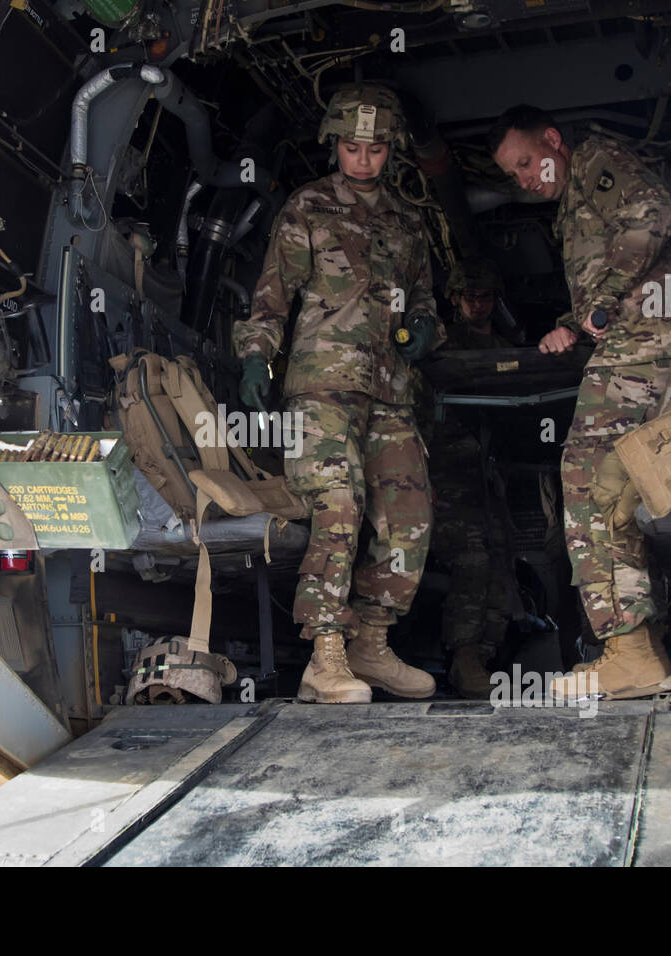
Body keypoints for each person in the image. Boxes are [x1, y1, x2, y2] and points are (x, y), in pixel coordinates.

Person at [488, 105, 671, 698]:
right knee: (626, 483)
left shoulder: (595, 161)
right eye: (514, 176)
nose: (526, 181)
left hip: (647, 342)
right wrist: (572, 323)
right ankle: (642, 648)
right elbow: (610, 285)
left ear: (554, 142)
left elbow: (651, 214)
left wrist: (604, 303)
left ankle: (629, 649)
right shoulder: (572, 203)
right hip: (646, 337)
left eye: (526, 164)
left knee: (588, 476)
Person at [234, 84, 443, 703]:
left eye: (375, 149)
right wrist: (254, 357)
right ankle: (324, 657)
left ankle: (371, 646)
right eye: (352, 148)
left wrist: (425, 330)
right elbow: (272, 297)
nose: (363, 160)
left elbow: (425, 303)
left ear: (392, 151)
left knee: (410, 519)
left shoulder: (409, 223)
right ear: (335, 145)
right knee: (338, 507)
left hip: (390, 392)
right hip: (321, 388)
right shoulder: (309, 207)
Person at [429, 259, 524, 696]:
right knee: (472, 559)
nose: (479, 304)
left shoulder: (508, 346)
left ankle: (487, 654)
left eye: (486, 297)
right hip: (450, 472)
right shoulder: (446, 344)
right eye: (471, 297)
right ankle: (464, 656)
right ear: (455, 300)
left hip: (490, 475)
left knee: (504, 560)